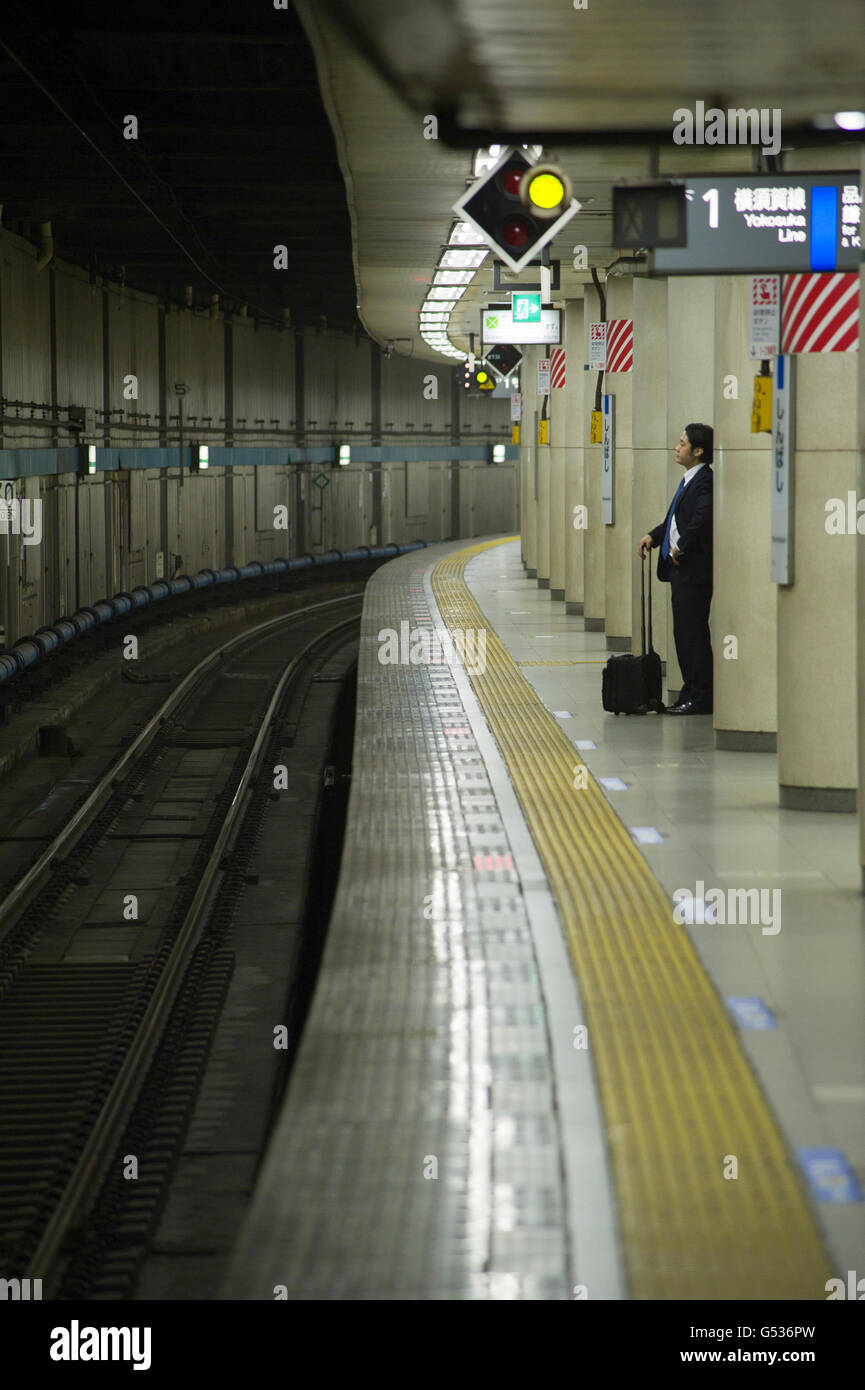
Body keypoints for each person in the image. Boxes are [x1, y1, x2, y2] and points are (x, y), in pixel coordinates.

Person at [637, 423, 714, 715]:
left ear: (698, 451)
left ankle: (702, 695)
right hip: (680, 571)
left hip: (693, 572)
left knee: (693, 635)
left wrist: (679, 546)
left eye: (682, 443)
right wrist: (654, 537)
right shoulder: (688, 480)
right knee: (683, 635)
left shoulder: (704, 480)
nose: (676, 447)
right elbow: (673, 519)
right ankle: (690, 690)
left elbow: (701, 519)